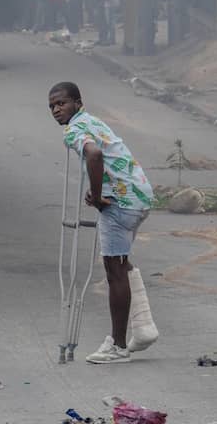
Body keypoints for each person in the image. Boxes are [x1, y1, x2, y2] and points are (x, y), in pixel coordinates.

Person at [48, 82, 158, 364]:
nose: (57, 110)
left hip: (119, 204)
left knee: (114, 271)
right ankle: (143, 328)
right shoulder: (93, 122)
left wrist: (97, 197)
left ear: (77, 102)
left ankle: (118, 347)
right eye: (52, 106)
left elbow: (94, 155)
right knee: (122, 263)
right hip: (139, 196)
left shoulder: (74, 130)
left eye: (62, 103)